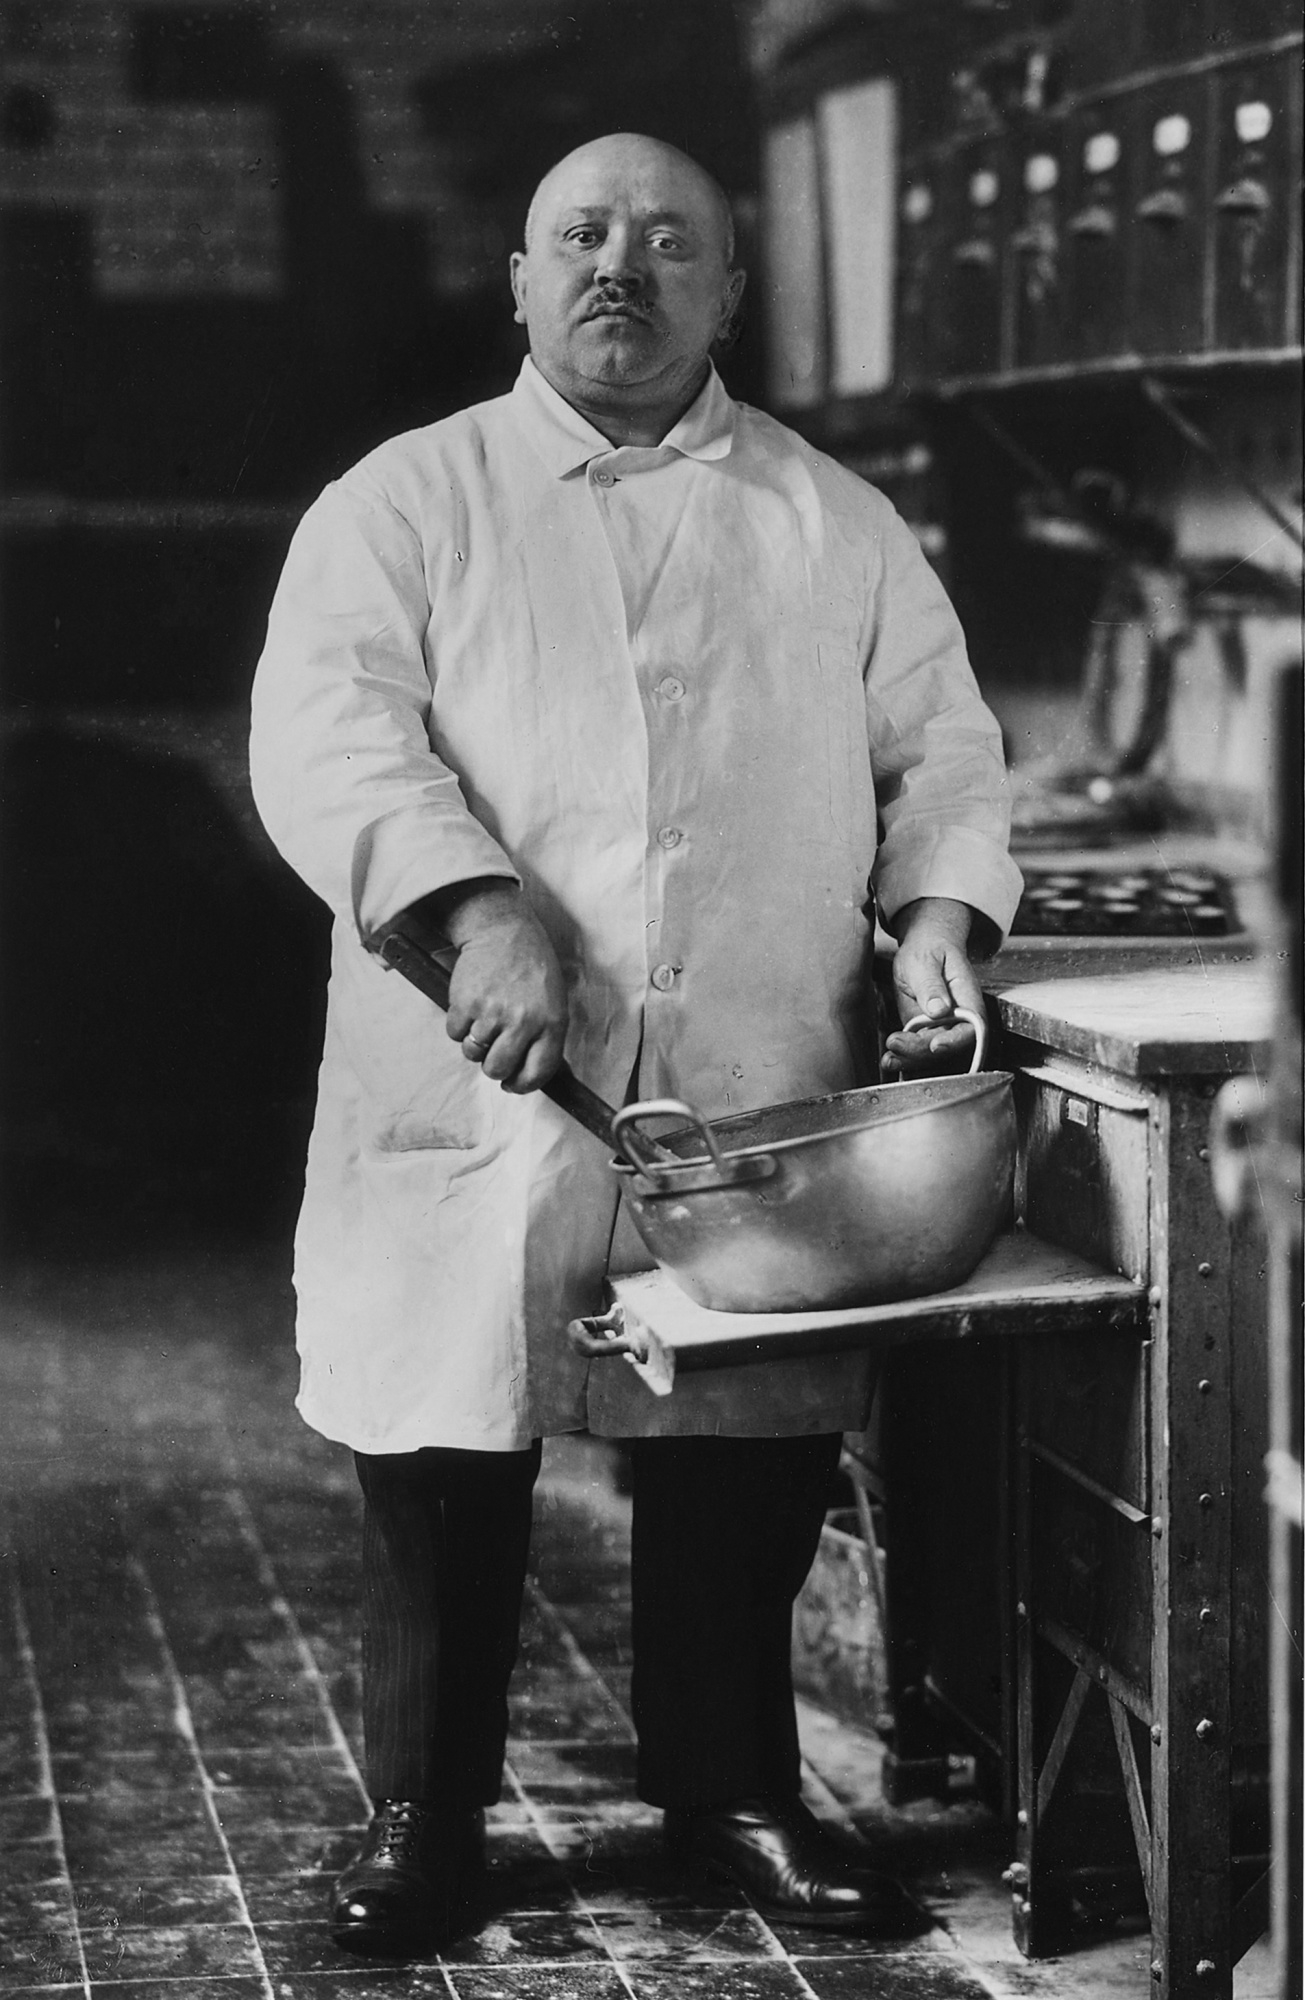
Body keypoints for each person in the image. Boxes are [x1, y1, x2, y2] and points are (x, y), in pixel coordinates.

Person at [249, 131, 1022, 1956]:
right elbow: (327, 740)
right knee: (445, 1452)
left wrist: (933, 924)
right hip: (482, 1073)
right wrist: (472, 908)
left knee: (737, 1460)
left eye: (670, 241)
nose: (623, 266)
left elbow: (947, 759)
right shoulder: (405, 503)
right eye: (580, 236)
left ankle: (735, 1798)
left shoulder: (833, 519)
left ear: (728, 288)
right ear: (518, 281)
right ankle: (425, 1818)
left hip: (745, 1071)